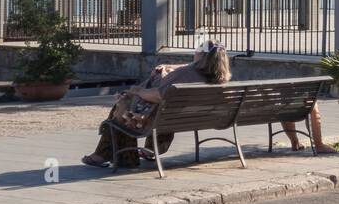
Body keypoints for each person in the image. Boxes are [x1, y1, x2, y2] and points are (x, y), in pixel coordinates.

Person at [81, 40, 232, 168]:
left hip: (155, 121)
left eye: (199, 48)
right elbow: (190, 67)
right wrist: (169, 67)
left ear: (202, 56)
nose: (196, 51)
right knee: (150, 107)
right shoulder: (220, 78)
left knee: (123, 105)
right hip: (181, 119)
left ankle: (112, 156)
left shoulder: (185, 74)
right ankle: (150, 150)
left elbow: (160, 95)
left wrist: (137, 91)